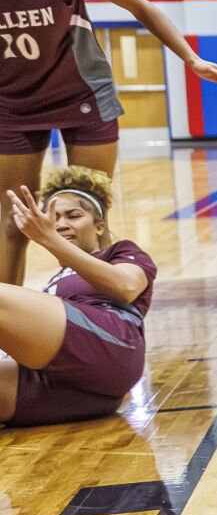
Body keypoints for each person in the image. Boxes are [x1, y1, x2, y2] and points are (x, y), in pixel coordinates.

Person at [0, 0, 217, 288]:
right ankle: (6, 330)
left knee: (87, 212)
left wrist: (190, 58)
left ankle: (102, 317)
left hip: (82, 95)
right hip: (11, 104)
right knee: (11, 220)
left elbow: (140, 6)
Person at [0, 166, 155, 427]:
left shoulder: (121, 252)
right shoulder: (56, 281)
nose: (61, 224)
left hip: (116, 346)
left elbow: (127, 286)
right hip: (87, 386)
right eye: (54, 218)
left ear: (99, 226)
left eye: (73, 215)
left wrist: (50, 239)